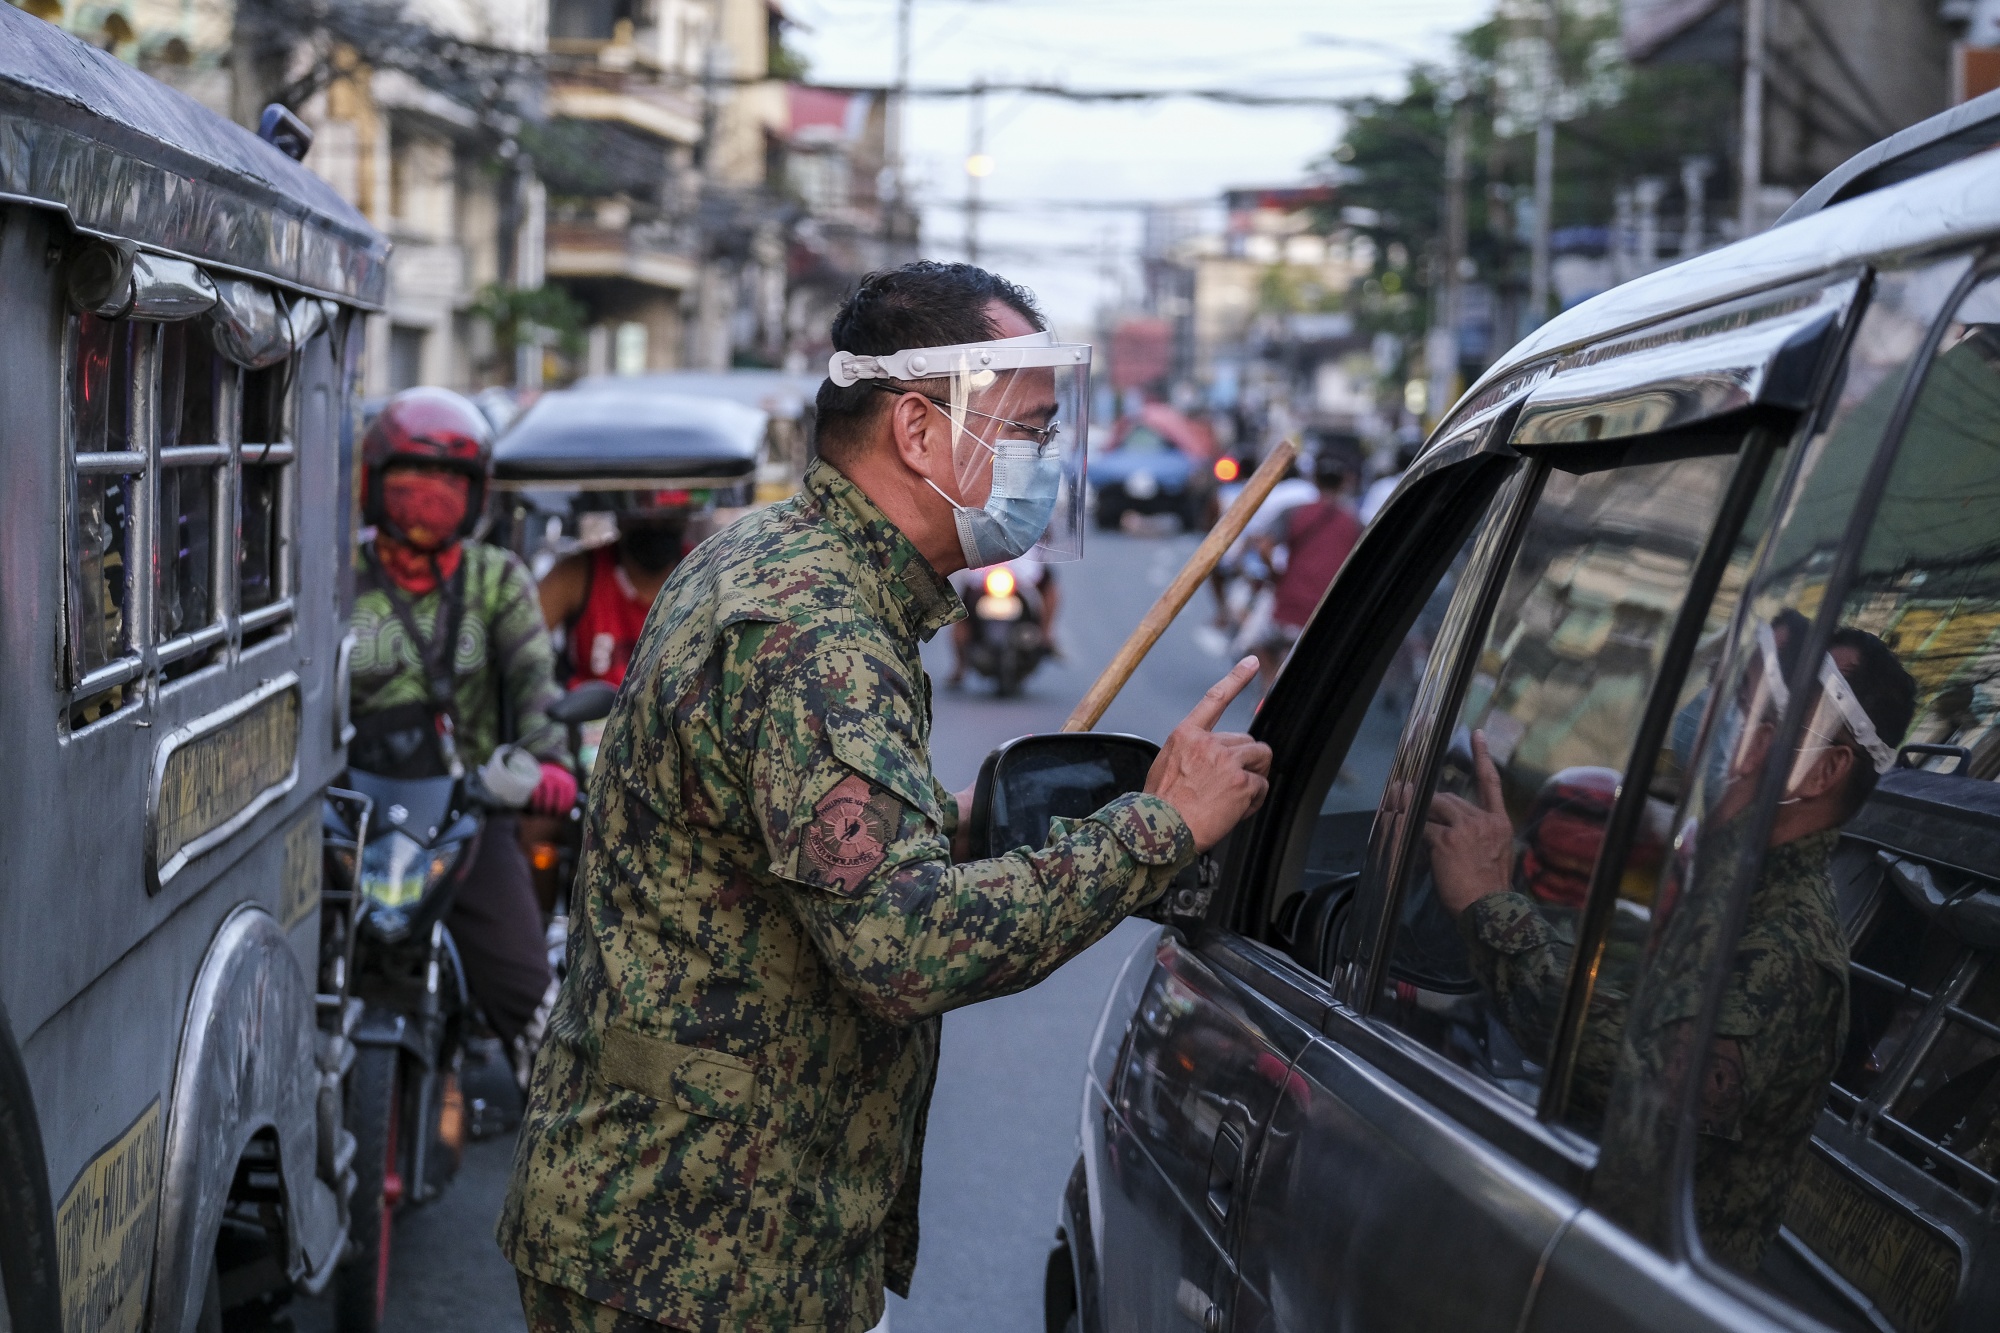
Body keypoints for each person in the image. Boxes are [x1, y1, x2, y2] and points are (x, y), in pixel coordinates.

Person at [499, 262, 1273, 1333]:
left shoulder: (782, 560)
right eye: (1027, 431)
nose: (1043, 461)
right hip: (693, 1252)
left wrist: (951, 817)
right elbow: (902, 947)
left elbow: (786, 847)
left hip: (696, 1228)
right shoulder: (814, 625)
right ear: (916, 429)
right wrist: (1158, 828)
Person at [1423, 615, 1916, 1272]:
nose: (1718, 716)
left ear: (1824, 769)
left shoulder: (1787, 944)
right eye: (1734, 693)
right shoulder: (1732, 882)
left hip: (1632, 1285)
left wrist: (1491, 908)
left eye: (1762, 709)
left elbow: (1639, 1079)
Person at [348, 387, 579, 1085]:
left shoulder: (496, 579)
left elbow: (535, 681)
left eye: (450, 479)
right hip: (348, 815)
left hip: (465, 813)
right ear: (375, 483)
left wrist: (547, 762)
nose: (430, 494)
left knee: (536, 1007)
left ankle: (556, 1126)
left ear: (476, 492)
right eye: (412, 476)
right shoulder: (336, 573)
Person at [538, 491, 696, 687]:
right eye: (642, 514)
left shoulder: (706, 574)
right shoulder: (579, 573)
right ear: (620, 516)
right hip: (596, 705)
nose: (655, 523)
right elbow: (519, 640)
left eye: (667, 516)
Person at [1250, 437, 1364, 685]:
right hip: (1329, 616)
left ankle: (1268, 691)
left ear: (1314, 478)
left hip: (1288, 608)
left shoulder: (1296, 512)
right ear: (1345, 481)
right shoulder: (1355, 523)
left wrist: (1275, 574)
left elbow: (1263, 545)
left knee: (1259, 646)